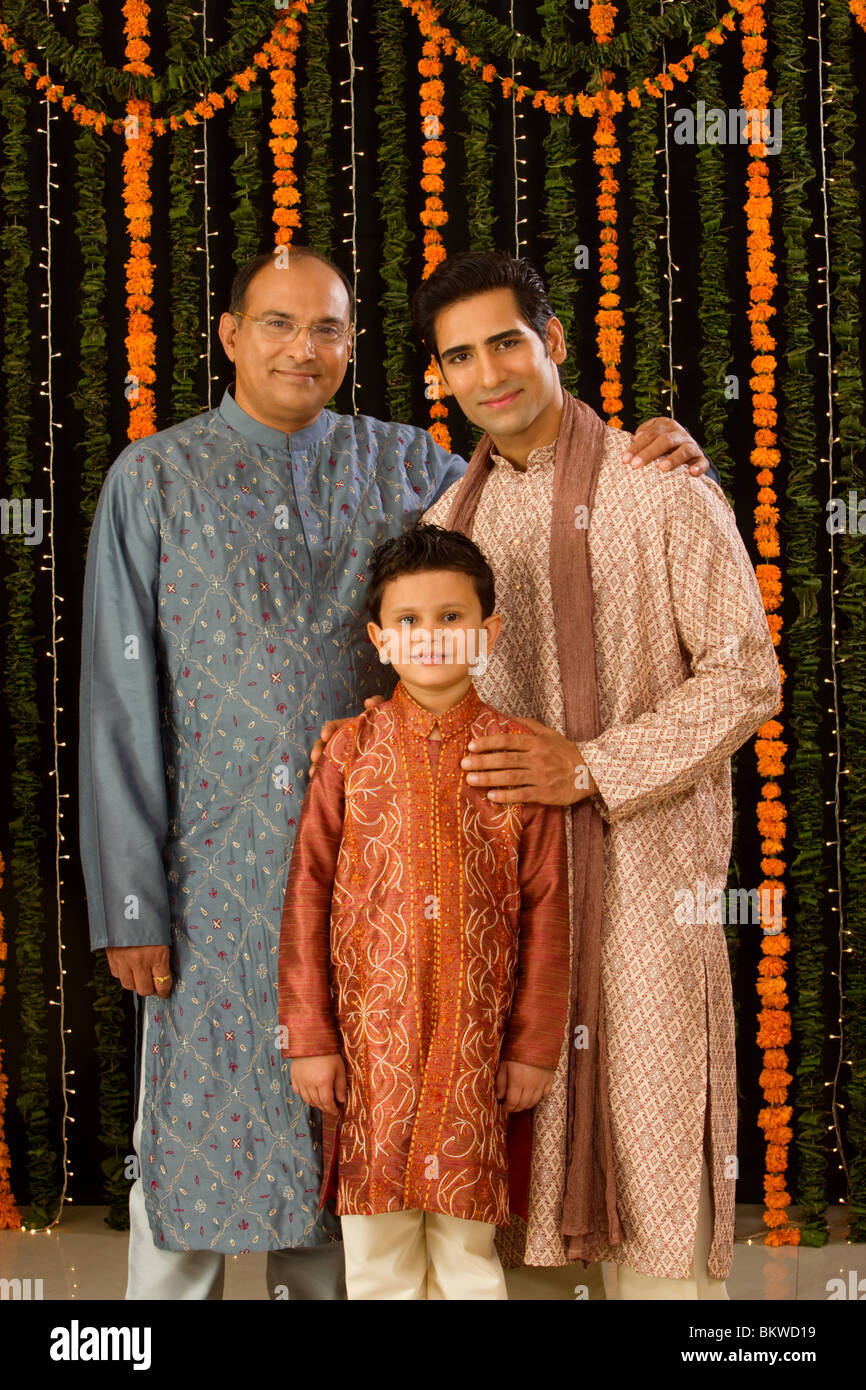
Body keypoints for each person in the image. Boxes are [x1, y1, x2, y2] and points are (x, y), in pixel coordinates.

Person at [77, 241, 717, 1300]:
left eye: (327, 326)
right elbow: (115, 705)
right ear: (231, 335)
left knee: (349, 1157)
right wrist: (132, 902)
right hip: (214, 882)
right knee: (190, 1151)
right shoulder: (151, 479)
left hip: (386, 880)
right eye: (277, 323)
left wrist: (654, 443)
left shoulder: (407, 466)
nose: (303, 347)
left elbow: (531, 469)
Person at [318, 250, 780, 1299]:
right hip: (503, 904)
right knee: (506, 1187)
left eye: (506, 343)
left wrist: (591, 766)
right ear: (440, 375)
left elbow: (746, 675)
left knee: (653, 1167)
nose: (489, 373)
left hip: (646, 884)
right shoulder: (452, 521)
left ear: (552, 342)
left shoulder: (658, 487)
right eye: (459, 357)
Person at [278, 524, 570, 1299]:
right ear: (379, 638)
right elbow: (306, 895)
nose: (432, 638)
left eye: (452, 619)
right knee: (376, 1262)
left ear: (488, 632)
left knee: (471, 1263)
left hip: (477, 1060)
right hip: (370, 1059)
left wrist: (534, 1047)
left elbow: (547, 910)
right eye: (409, 622)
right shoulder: (349, 752)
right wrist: (310, 1038)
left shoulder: (516, 755)